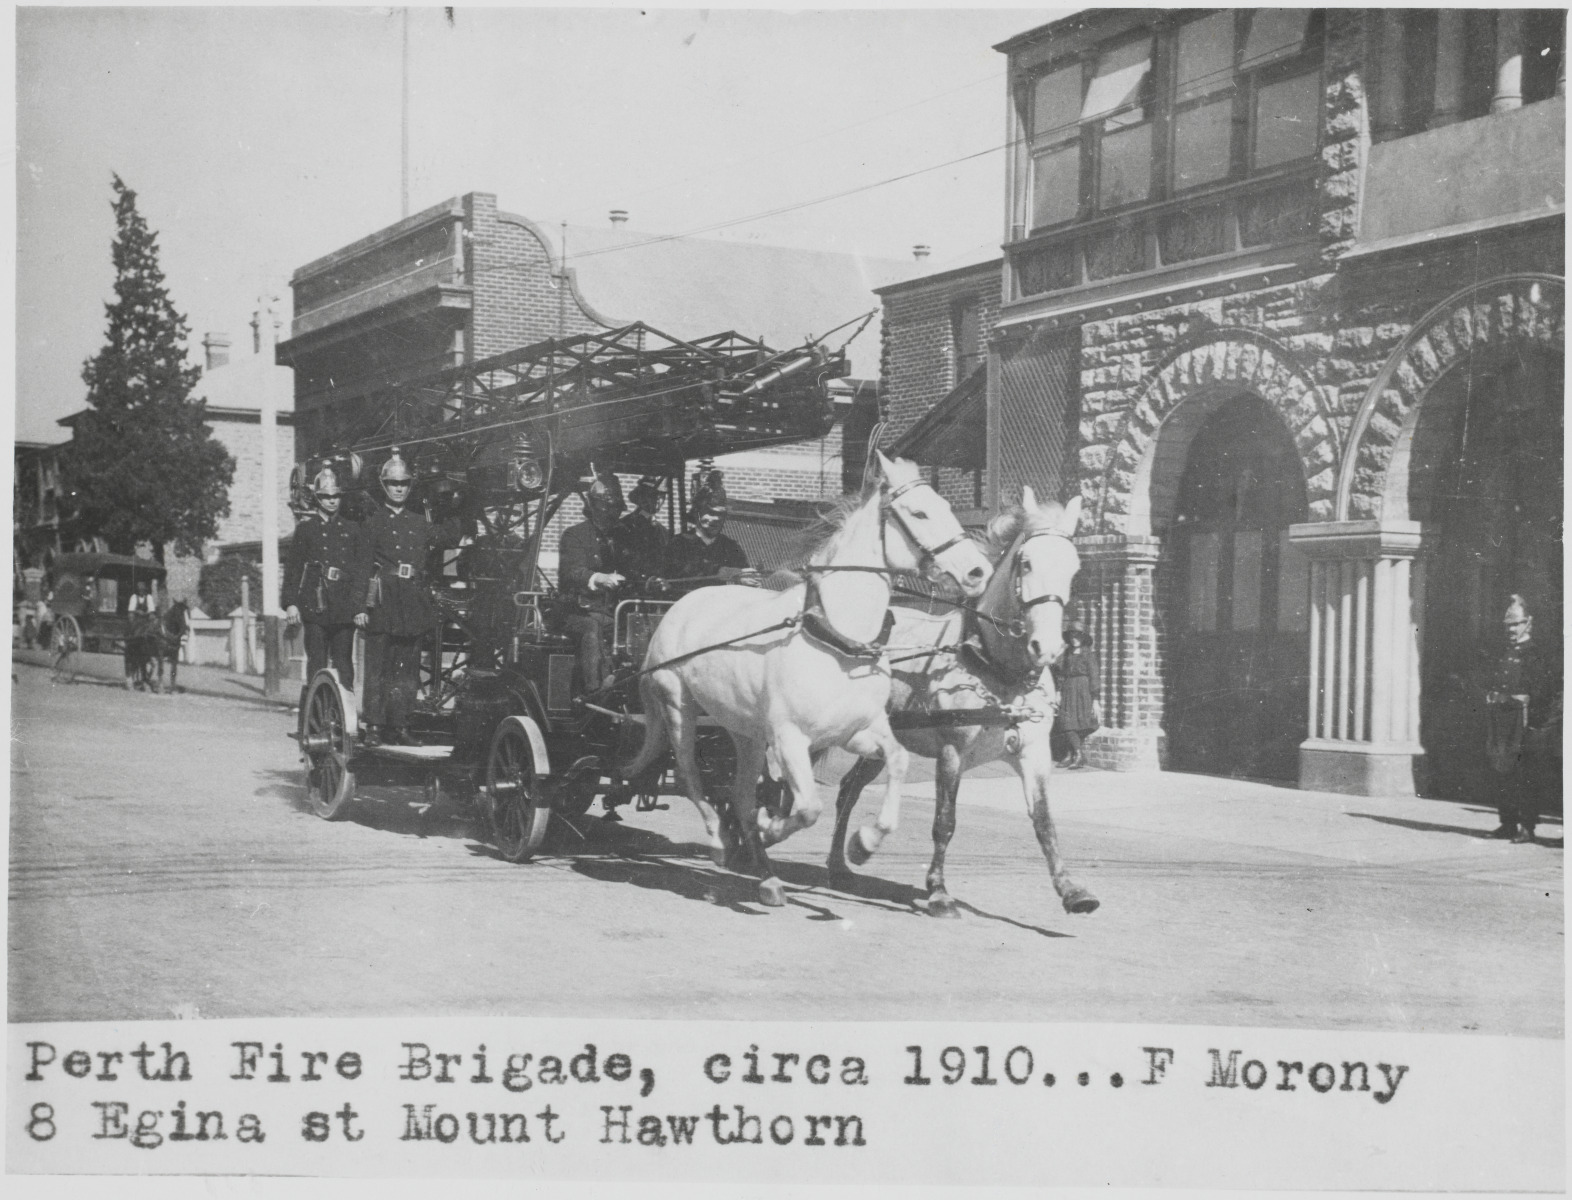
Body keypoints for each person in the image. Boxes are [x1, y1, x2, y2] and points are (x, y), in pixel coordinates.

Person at [359, 448, 462, 747]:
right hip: (384, 598)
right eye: (393, 483)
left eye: (404, 483)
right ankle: (375, 727)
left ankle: (400, 725)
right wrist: (360, 607)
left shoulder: (419, 523)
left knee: (406, 668)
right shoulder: (373, 523)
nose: (399, 488)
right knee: (379, 667)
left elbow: (449, 538)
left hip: (412, 600)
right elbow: (363, 567)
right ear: (384, 486)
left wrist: (454, 504)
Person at [282, 465, 371, 700]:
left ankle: (346, 718)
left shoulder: (352, 529)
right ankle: (316, 716)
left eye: (335, 497)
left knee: (344, 663)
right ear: (317, 498)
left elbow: (362, 571)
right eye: (326, 497)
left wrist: (360, 606)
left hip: (344, 606)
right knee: (317, 662)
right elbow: (293, 568)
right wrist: (290, 603)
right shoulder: (306, 530)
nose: (332, 501)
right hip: (314, 604)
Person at [1483, 594, 1561, 844]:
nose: (1511, 630)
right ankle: (1507, 822)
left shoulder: (1536, 654)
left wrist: (1527, 701)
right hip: (1503, 720)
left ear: (1528, 623)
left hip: (1527, 723)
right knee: (1502, 772)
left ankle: (1527, 826)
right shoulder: (1504, 653)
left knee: (1526, 776)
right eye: (1508, 625)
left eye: (1516, 624)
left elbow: (1545, 689)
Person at [558, 469, 636, 695]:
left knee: (638, 629)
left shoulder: (624, 538)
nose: (611, 514)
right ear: (594, 508)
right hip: (575, 612)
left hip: (613, 612)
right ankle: (594, 691)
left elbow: (634, 570)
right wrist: (598, 578)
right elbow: (571, 572)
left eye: (614, 509)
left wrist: (648, 579)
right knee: (592, 628)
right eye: (606, 509)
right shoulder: (574, 536)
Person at [661, 484, 758, 592]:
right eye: (711, 513)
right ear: (697, 513)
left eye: (721, 514)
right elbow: (689, 568)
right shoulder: (679, 543)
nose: (716, 518)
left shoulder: (730, 546)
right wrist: (725, 572)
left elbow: (742, 572)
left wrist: (747, 577)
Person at [1053, 621, 1101, 769]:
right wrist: (1058, 691)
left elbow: (1094, 676)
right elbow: (1061, 673)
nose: (1074, 639)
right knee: (1066, 722)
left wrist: (1095, 699)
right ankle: (1074, 754)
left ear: (1083, 638)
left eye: (1078, 636)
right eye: (1072, 636)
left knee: (1081, 723)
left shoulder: (1088, 654)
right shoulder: (1067, 654)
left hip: (1083, 690)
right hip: (1068, 689)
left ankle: (1074, 754)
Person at [616, 475, 671, 587]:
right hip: (631, 589)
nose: (658, 501)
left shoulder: (663, 531)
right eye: (653, 496)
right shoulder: (625, 526)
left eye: (662, 496)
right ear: (641, 497)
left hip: (657, 590)